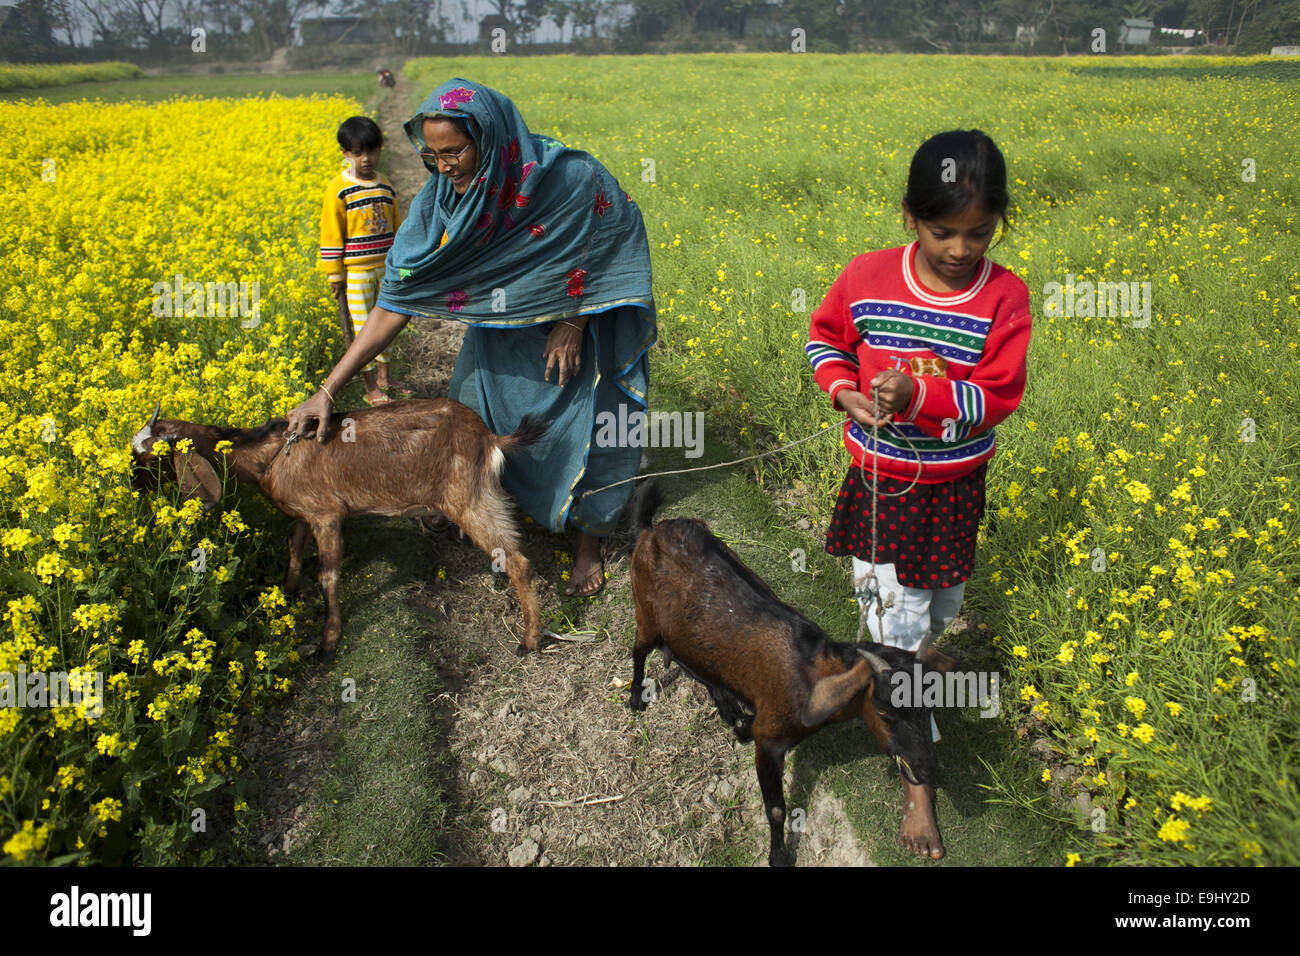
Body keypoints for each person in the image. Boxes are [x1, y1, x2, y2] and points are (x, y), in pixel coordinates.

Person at [288, 78, 657, 598]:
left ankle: (588, 543)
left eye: (455, 151)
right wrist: (327, 390)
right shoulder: (442, 198)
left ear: (491, 138)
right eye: (431, 155)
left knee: (588, 432)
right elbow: (394, 299)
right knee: (474, 425)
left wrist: (574, 321)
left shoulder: (568, 178)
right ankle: (485, 511)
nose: (443, 167)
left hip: (570, 336)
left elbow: (617, 235)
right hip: (496, 338)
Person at [806, 129, 1031, 758]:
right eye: (943, 233)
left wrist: (920, 398)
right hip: (884, 483)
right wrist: (842, 389)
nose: (961, 249)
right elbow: (825, 340)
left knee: (938, 607)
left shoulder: (1004, 298)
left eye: (980, 233)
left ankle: (900, 662)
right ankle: (914, 755)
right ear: (911, 216)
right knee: (893, 625)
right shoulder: (868, 276)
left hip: (955, 487)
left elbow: (997, 398)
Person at [318, 116, 410, 405]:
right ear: (345, 153)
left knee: (386, 325)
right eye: (358, 153)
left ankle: (385, 376)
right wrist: (335, 274)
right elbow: (331, 233)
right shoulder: (339, 188)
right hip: (356, 273)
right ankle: (370, 387)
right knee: (361, 331)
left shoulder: (386, 186)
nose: (366, 159)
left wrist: (402, 262)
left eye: (372, 151)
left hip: (386, 269)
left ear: (381, 149)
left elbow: (397, 227)